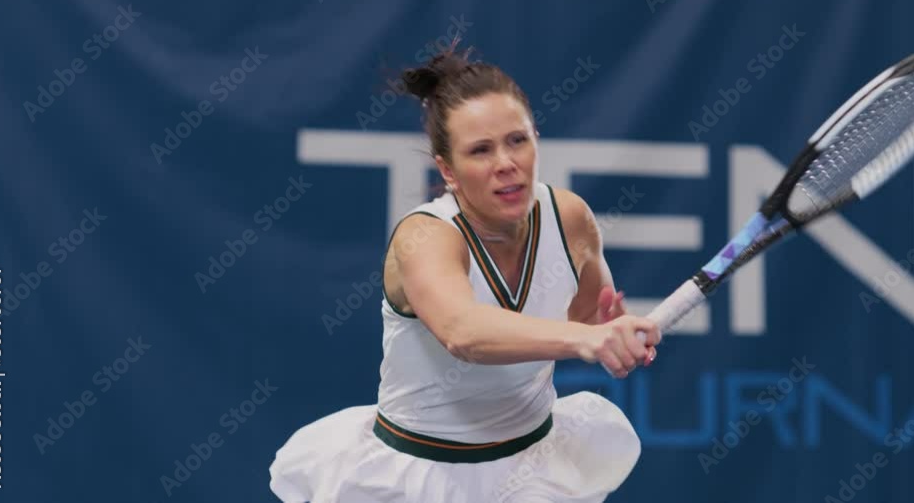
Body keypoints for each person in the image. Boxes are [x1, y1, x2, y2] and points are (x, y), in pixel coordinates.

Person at [269, 44, 662, 503]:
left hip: (532, 473)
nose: (505, 164)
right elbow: (464, 333)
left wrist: (608, 332)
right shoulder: (425, 236)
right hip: (417, 479)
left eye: (518, 139)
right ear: (448, 171)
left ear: (536, 136)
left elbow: (584, 321)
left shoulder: (571, 217)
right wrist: (584, 340)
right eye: (480, 150)